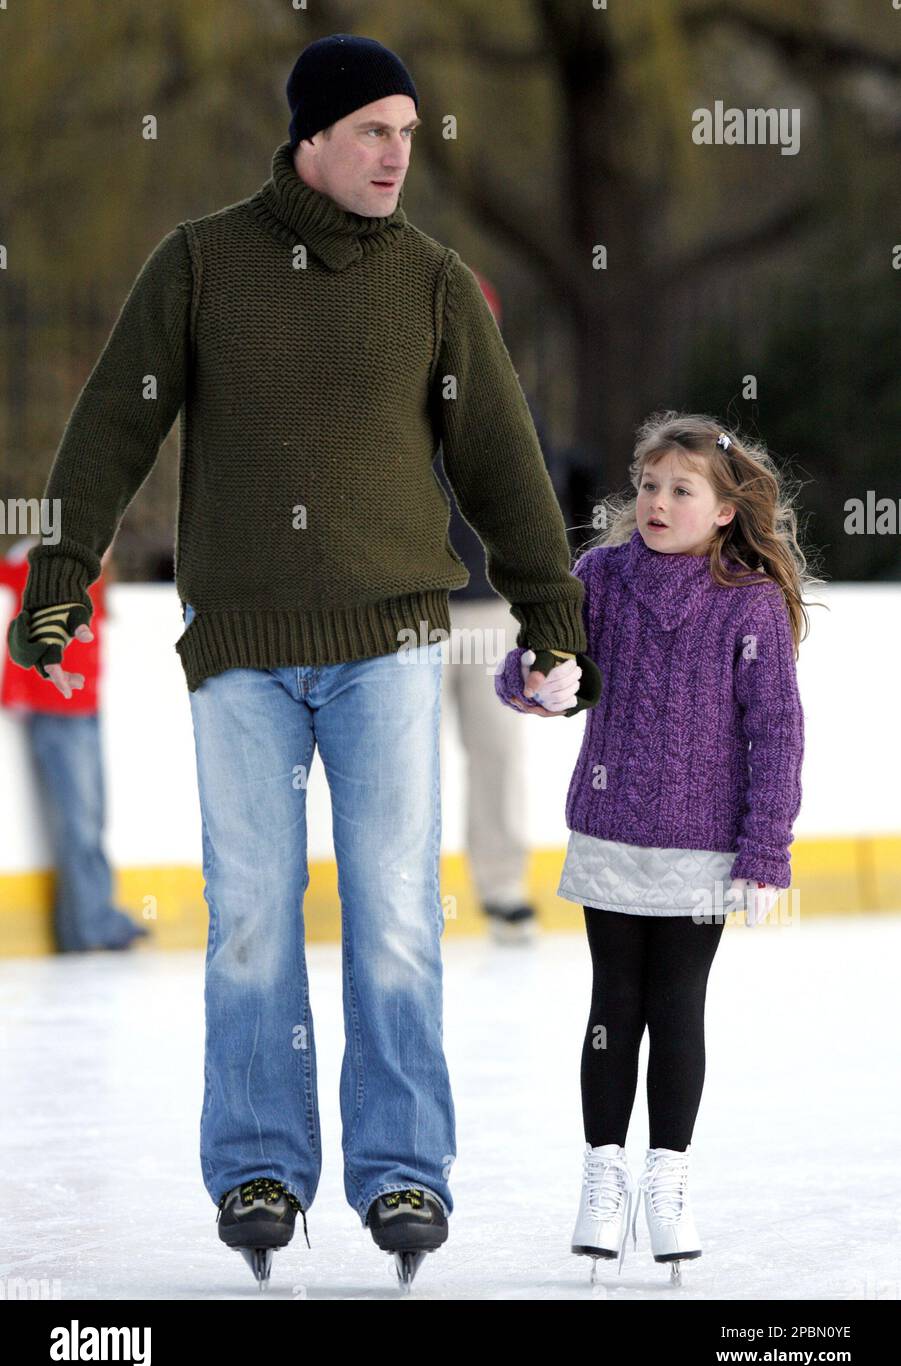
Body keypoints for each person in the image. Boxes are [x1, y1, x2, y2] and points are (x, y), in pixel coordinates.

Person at [6, 33, 601, 1287]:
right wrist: (61, 573)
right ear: (314, 137)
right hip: (241, 651)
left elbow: (501, 458)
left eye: (410, 130)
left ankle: (401, 1179)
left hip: (387, 641)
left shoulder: (432, 282)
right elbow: (115, 423)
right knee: (245, 925)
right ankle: (260, 1164)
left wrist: (552, 609)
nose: (400, 153)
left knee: (394, 917)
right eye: (375, 130)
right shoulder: (203, 262)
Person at [495, 411, 808, 1282]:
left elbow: (775, 729)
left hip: (704, 846)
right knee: (612, 1004)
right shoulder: (598, 575)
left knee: (676, 1006)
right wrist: (535, 680)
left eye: (681, 489)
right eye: (647, 486)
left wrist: (764, 848)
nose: (657, 502)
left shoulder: (746, 600)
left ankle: (666, 1176)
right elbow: (541, 658)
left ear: (721, 510)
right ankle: (603, 1172)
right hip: (611, 830)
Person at [436, 270, 582, 943]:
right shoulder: (389, 396)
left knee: (495, 754)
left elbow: (537, 508)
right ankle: (400, 896)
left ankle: (501, 889)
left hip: (487, 612)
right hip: (404, 612)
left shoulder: (513, 407)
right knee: (396, 759)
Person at [0, 538, 149, 952]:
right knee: (79, 821)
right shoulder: (44, 569)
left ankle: (91, 919)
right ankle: (89, 926)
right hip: (56, 709)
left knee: (90, 817)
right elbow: (10, 575)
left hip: (81, 708)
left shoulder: (88, 577)